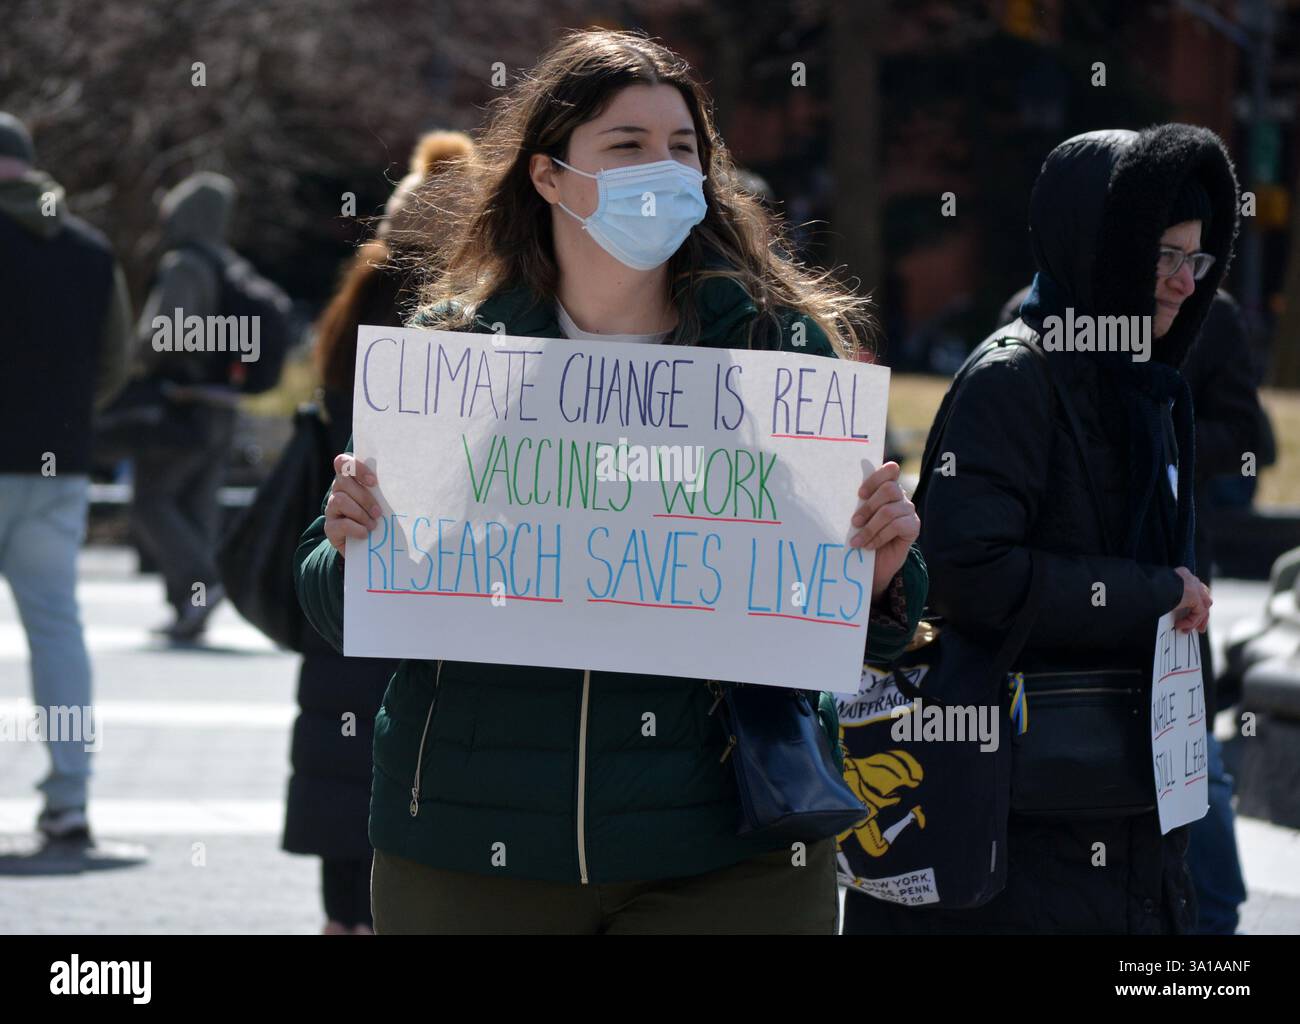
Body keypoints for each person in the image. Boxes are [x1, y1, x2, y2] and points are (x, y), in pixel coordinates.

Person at [295, 29, 927, 935]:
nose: (662, 172)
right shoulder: (455, 354)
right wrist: (350, 541)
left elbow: (859, 616)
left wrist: (883, 569)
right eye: (626, 147)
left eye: (682, 150)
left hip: (729, 850)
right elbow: (334, 598)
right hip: (477, 854)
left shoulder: (778, 353)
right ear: (548, 177)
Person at [846, 124, 1237, 935]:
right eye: (1162, 255)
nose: (1180, 284)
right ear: (1100, 245)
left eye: (1196, 261)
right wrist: (1154, 593)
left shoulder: (1145, 389)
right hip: (1015, 821)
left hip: (1119, 809)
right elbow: (966, 575)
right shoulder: (1014, 380)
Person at [284, 130, 473, 935]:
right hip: (435, 592)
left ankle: (340, 918)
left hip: (349, 584)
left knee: (344, 784)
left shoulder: (350, 307)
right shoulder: (466, 327)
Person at [0, 111, 133, 846]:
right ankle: (70, 796)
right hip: (60, 466)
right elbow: (114, 363)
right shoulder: (89, 249)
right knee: (56, 630)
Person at [130, 171, 290, 642]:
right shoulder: (229, 264)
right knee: (195, 504)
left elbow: (162, 335)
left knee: (151, 501)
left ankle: (202, 585)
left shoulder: (186, 265)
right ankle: (190, 608)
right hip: (224, 404)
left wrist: (135, 357)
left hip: (183, 401)